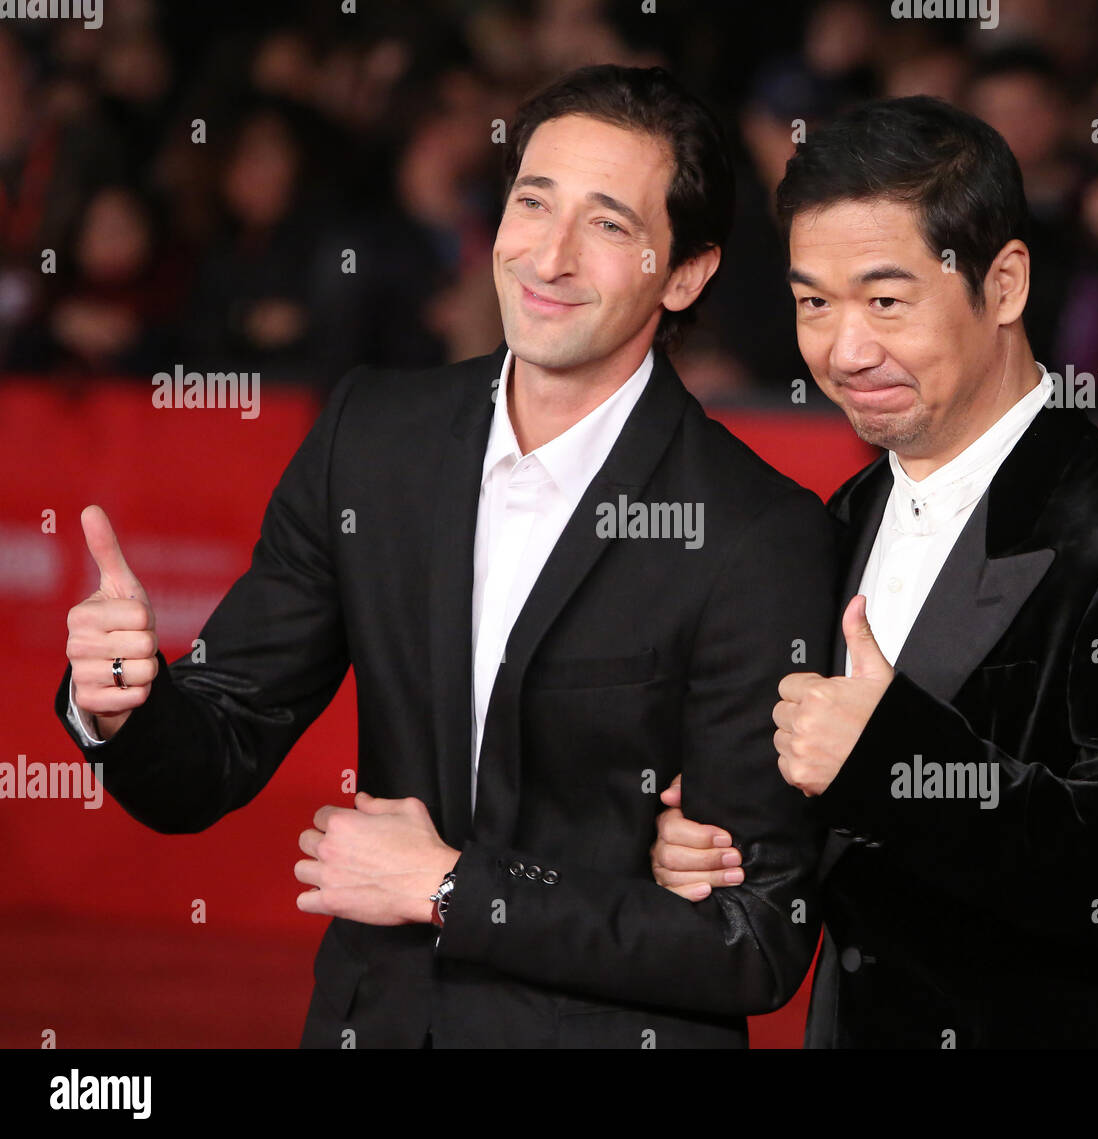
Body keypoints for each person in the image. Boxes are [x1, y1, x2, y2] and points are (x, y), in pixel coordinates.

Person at [55, 64, 837, 1049]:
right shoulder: (372, 438)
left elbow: (752, 939)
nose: (546, 256)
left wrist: (451, 886)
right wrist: (123, 704)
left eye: (605, 224)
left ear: (683, 272)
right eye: (531, 202)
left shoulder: (755, 532)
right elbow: (212, 752)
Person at [650, 95, 1098, 1048]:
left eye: (887, 300)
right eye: (814, 303)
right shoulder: (838, 521)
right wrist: (718, 846)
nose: (844, 350)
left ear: (1003, 285)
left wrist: (895, 758)